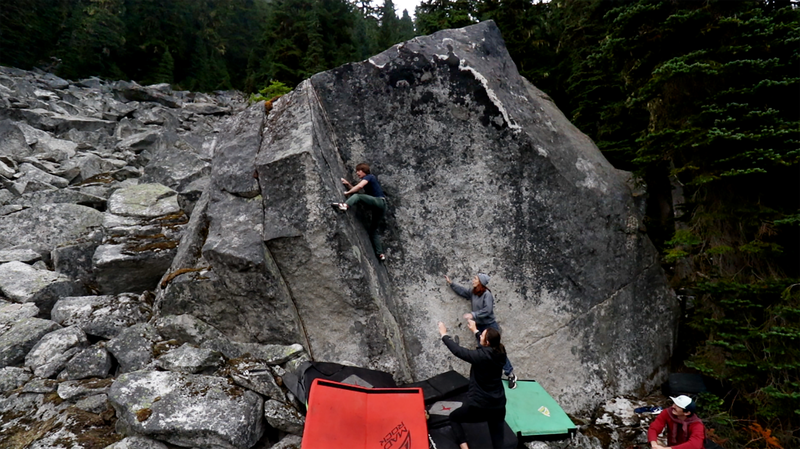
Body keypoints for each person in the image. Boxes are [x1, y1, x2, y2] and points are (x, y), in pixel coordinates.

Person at [438, 319, 507, 449]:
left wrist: (444, 335)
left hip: (481, 405)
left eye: (482, 335)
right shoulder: (501, 352)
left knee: (454, 417)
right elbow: (486, 347)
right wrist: (475, 330)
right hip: (498, 405)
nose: (480, 335)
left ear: (486, 342)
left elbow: (458, 351)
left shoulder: (480, 357)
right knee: (498, 439)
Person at [445, 273, 517, 388]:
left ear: (480, 282)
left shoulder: (487, 294)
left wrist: (472, 315)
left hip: (489, 327)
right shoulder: (474, 292)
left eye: (475, 279)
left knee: (496, 351)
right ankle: (489, 376)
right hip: (479, 327)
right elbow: (463, 292)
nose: (472, 280)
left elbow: (487, 310)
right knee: (483, 353)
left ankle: (510, 374)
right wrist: (451, 284)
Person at [331, 163, 387, 261]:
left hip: (378, 201)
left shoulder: (369, 177)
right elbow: (358, 191)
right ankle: (380, 254)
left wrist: (347, 193)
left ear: (363, 170)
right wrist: (348, 184)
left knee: (357, 197)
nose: (357, 173)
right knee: (373, 231)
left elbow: (359, 188)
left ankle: (345, 205)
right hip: (381, 206)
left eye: (358, 171)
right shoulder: (369, 180)